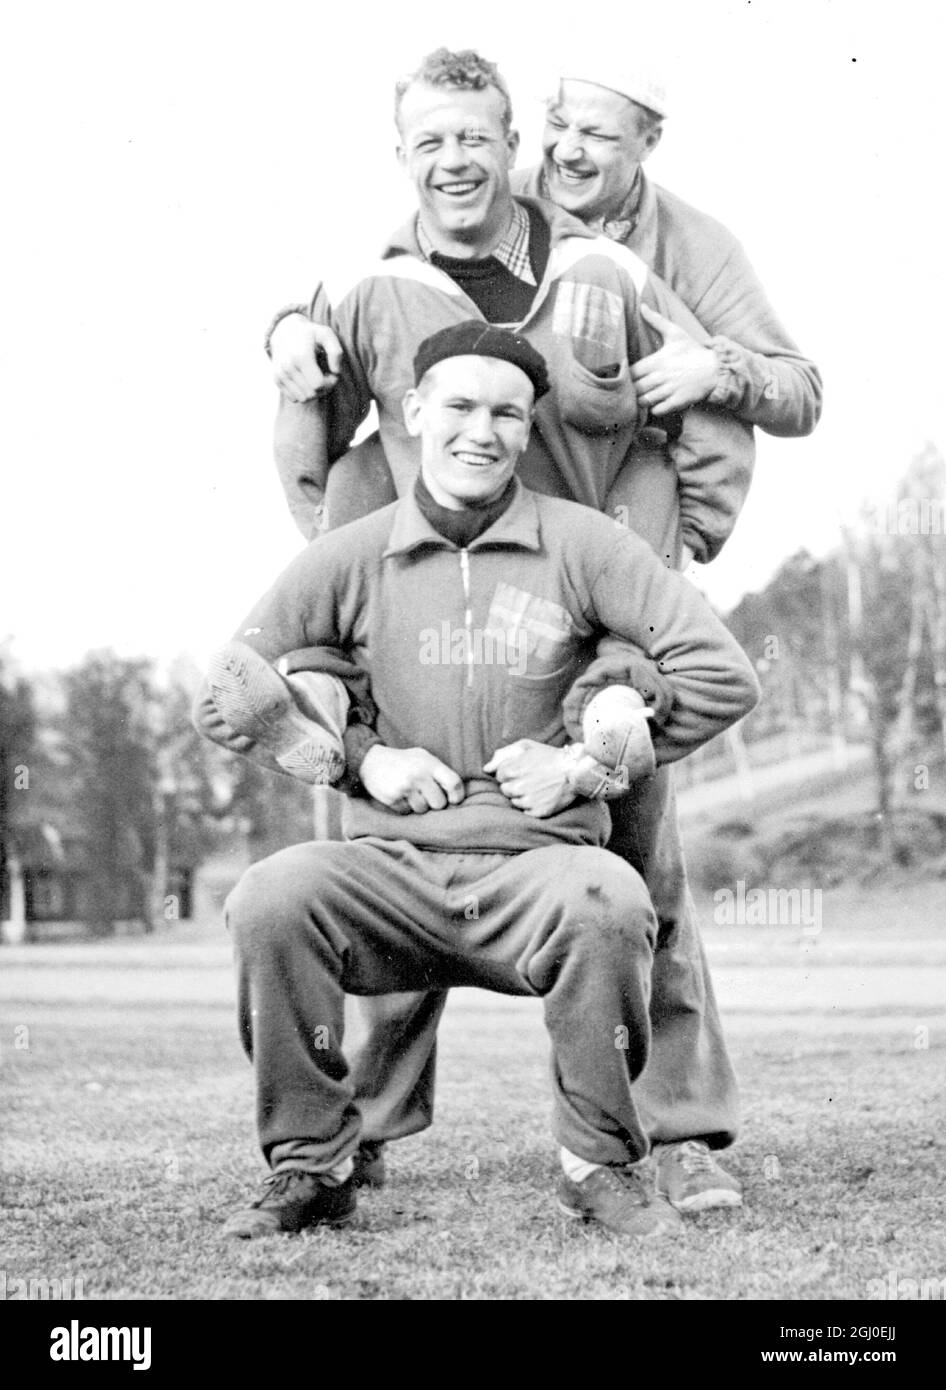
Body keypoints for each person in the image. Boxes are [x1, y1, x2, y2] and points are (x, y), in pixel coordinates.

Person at [257, 48, 787, 1214]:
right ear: (401, 156)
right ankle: (356, 1140)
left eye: (480, 140)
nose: (457, 161)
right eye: (431, 142)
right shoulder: (367, 284)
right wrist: (368, 592)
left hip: (596, 632)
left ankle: (671, 1133)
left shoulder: (600, 269)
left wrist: (667, 558)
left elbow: (720, 410)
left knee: (638, 875)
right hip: (433, 627)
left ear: (515, 150)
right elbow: (323, 448)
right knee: (394, 859)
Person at [195, 324, 760, 1239]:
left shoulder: (585, 545)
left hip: (539, 874)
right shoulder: (351, 553)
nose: (480, 431)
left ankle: (600, 1165)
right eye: (458, 406)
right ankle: (313, 1163)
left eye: (506, 412)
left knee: (611, 896)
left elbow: (724, 675)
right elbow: (227, 694)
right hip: (393, 873)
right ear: (414, 413)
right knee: (271, 896)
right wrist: (357, 758)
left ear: (528, 427)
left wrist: (586, 763)